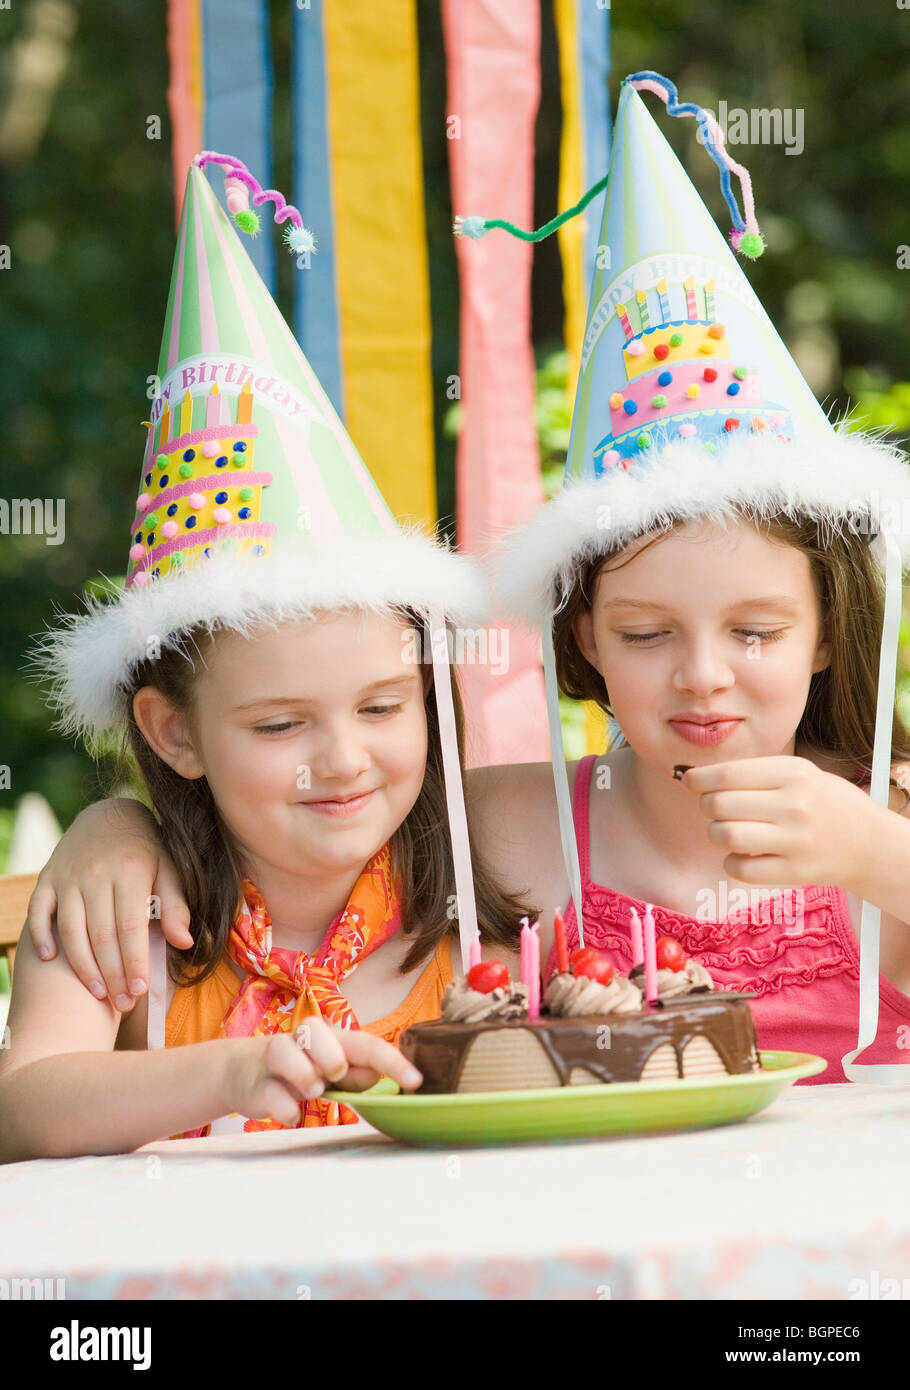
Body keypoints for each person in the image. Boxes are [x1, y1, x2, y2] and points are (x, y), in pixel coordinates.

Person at [0, 154, 527, 1162]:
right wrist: (236, 1069)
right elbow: (22, 1109)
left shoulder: (482, 888)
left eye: (382, 707)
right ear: (172, 730)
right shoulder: (127, 918)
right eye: (281, 722)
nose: (341, 759)